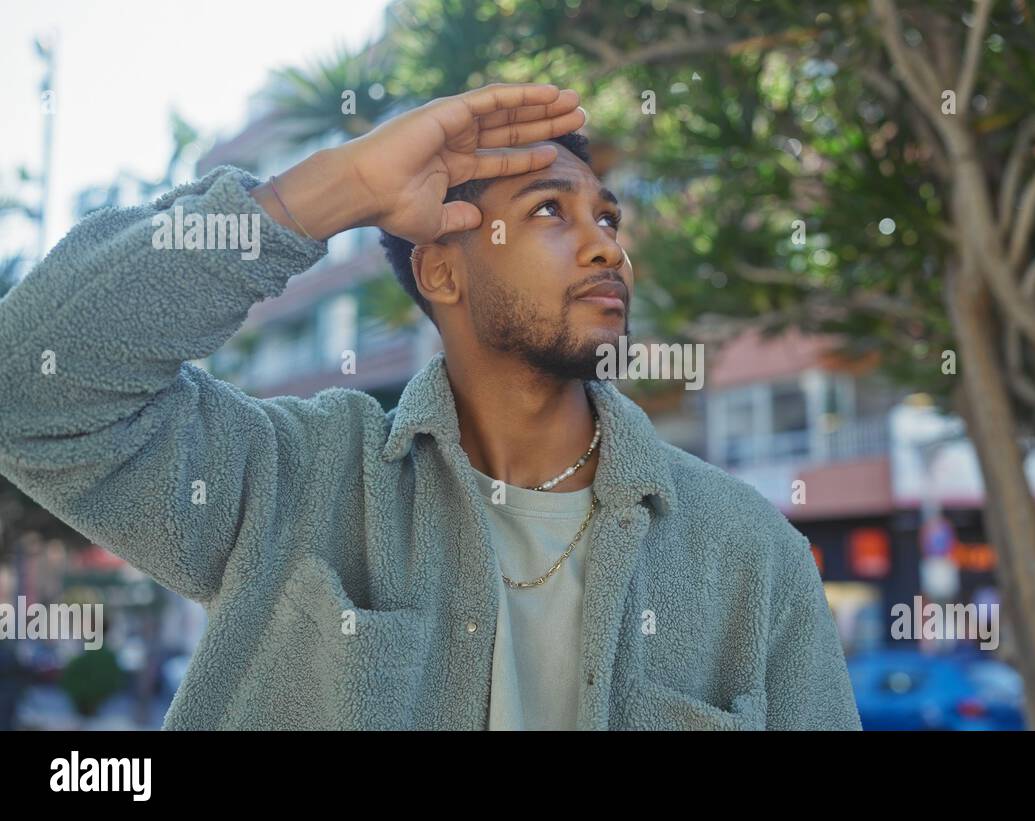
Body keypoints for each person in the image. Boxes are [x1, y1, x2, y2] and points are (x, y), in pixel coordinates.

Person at [0, 83, 860, 730]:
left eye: (609, 215)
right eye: (550, 210)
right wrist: (336, 190)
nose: (608, 244)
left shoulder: (753, 556)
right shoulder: (296, 479)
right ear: (442, 271)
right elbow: (30, 388)